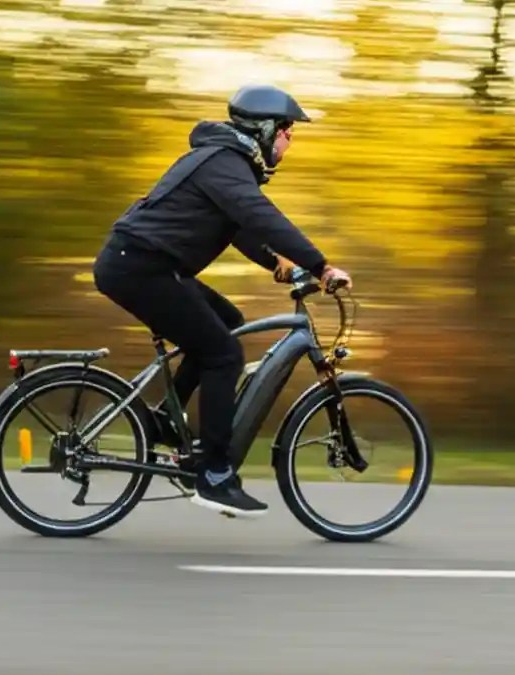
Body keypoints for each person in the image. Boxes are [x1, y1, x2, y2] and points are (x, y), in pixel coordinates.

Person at [92, 84, 351, 518]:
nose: (289, 143)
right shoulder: (223, 163)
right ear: (266, 129)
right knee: (224, 355)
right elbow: (259, 216)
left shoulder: (227, 164)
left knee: (226, 320)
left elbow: (243, 229)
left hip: (147, 265)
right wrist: (321, 264)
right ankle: (215, 475)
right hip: (140, 268)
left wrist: (285, 266)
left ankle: (161, 421)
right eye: (288, 133)